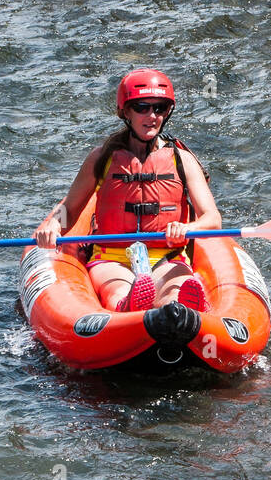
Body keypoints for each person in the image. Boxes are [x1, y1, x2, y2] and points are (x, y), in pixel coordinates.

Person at [31, 69, 221, 313]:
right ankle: (129, 305)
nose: (152, 116)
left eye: (160, 108)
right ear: (126, 112)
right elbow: (70, 209)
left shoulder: (182, 159)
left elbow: (212, 219)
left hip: (167, 256)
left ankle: (178, 312)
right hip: (112, 256)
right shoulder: (103, 158)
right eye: (142, 107)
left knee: (175, 292)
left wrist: (188, 228)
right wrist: (54, 226)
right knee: (117, 290)